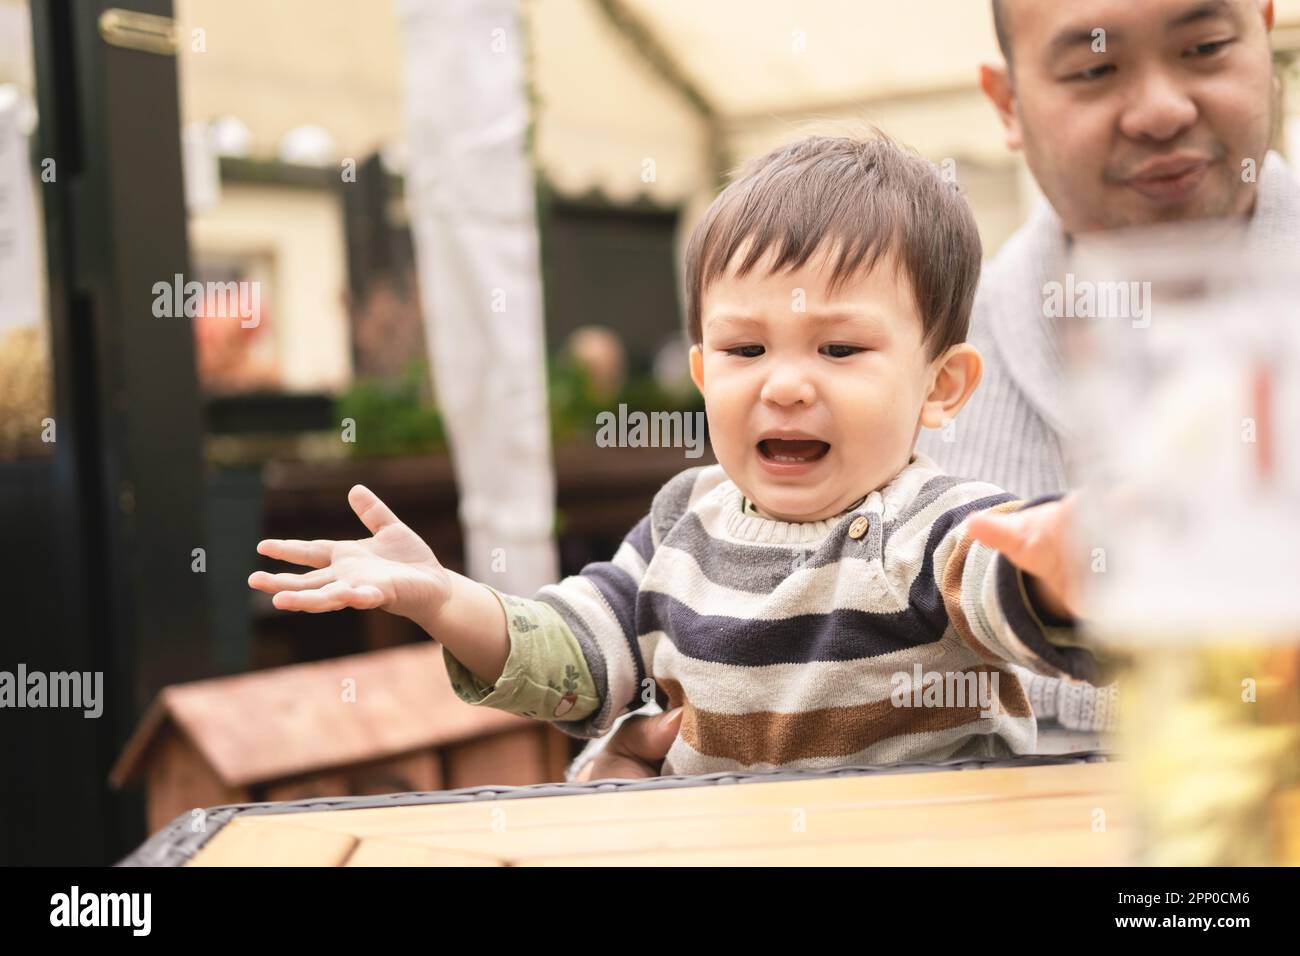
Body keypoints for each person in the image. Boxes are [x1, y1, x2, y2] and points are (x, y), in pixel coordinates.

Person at [567, 0, 1300, 781]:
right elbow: (756, 668)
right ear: (1007, 105)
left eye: (1206, 45)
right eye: (1095, 67)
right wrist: (639, 773)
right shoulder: (909, 345)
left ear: (1268, 35)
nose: (1160, 108)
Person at [250, 134, 1113, 774]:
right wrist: (444, 600)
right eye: (745, 350)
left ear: (943, 385)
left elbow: (1008, 578)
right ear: (702, 372)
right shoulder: (679, 525)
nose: (783, 385)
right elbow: (576, 660)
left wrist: (1066, 566)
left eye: (839, 350)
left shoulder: (933, 526)